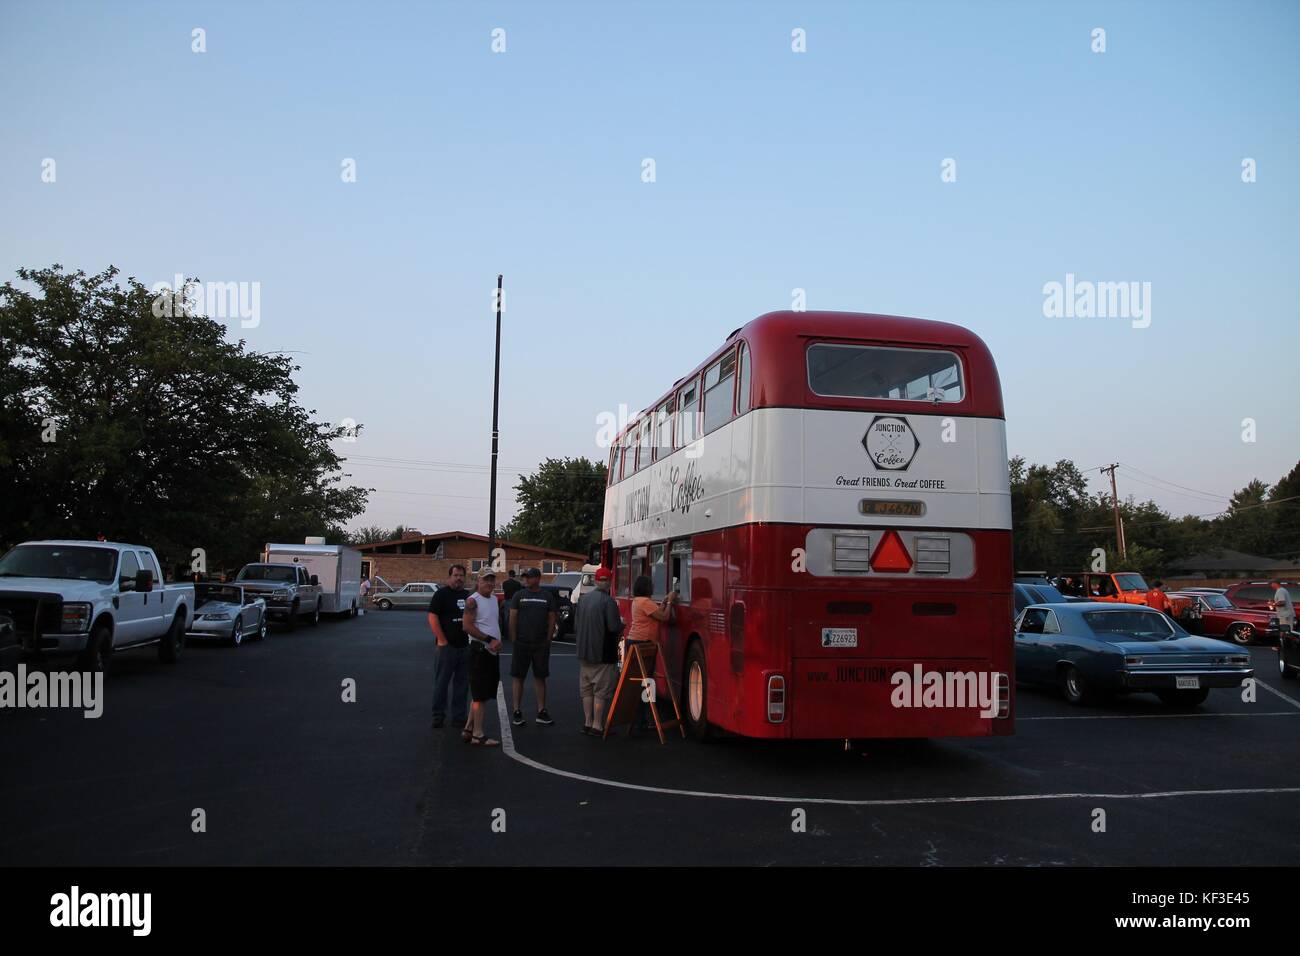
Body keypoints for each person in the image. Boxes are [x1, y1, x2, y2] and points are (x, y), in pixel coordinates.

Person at [574, 566, 623, 735]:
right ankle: (597, 725)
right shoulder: (608, 602)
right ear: (609, 582)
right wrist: (622, 623)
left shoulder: (583, 600)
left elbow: (576, 625)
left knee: (586, 690)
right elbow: (614, 627)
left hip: (584, 652)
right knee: (600, 692)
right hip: (602, 653)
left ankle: (587, 722)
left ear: (595, 580)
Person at [508, 567, 559, 726]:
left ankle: (541, 711)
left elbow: (552, 619)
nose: (526, 580)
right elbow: (513, 618)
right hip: (522, 643)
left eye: (529, 577)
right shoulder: (519, 595)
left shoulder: (547, 596)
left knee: (540, 677)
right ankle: (517, 710)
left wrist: (548, 639)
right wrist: (514, 639)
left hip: (540, 644)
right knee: (518, 677)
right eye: (524, 577)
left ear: (537, 578)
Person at [461, 569, 503, 747]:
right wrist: (489, 639)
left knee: (482, 693)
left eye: (492, 580)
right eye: (486, 580)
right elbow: (467, 626)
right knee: (480, 695)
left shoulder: (493, 599)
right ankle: (478, 735)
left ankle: (469, 728)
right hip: (479, 652)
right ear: (478, 581)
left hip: (491, 653)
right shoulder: (472, 601)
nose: (490, 583)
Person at [427, 565, 471, 729]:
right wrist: (442, 640)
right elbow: (432, 617)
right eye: (455, 575)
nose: (458, 578)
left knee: (462, 684)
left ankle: (459, 717)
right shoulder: (441, 594)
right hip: (446, 648)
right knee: (441, 683)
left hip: (465, 647)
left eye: (461, 575)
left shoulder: (468, 596)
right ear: (449, 577)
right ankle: (438, 716)